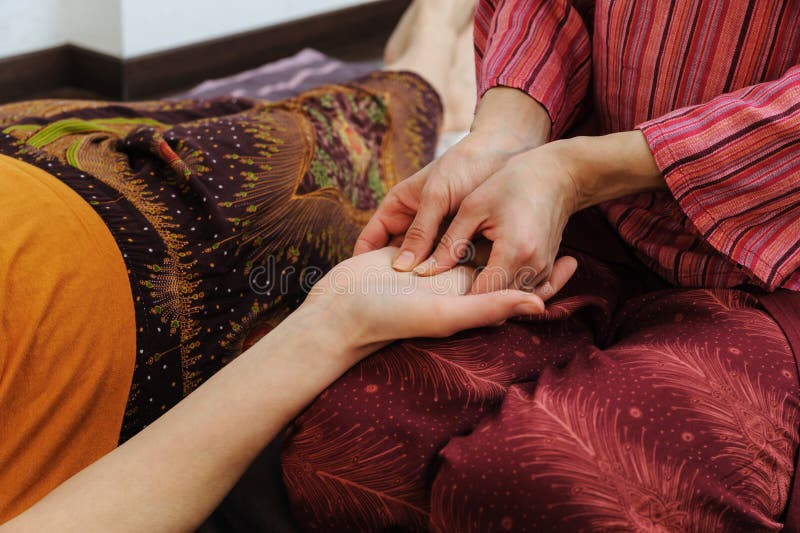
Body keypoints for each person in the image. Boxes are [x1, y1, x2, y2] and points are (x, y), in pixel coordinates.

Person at [280, 0, 800, 531]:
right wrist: (503, 138)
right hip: (587, 219)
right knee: (345, 439)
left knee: (538, 488)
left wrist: (573, 172)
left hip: (778, 273)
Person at [0, 0, 519, 526]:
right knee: (352, 128)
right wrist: (336, 323)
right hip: (118, 250)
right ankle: (427, 58)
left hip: (26, 159)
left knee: (239, 115)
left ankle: (427, 81)